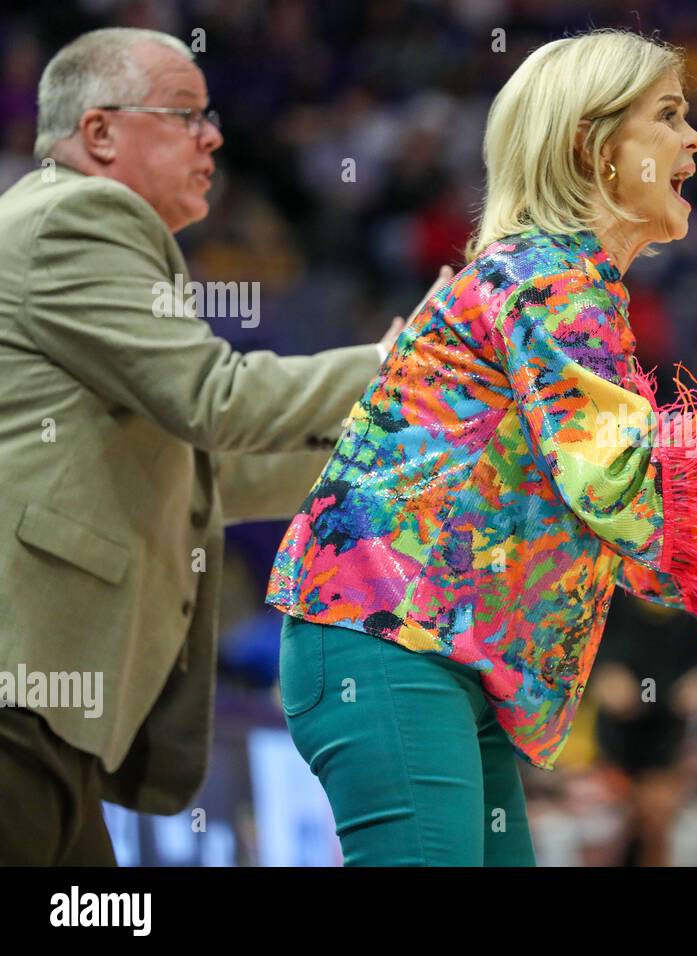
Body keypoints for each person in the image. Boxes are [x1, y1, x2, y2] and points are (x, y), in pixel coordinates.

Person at [266, 28, 697, 866]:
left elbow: (644, 549)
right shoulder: (544, 276)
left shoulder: (580, 294)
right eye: (668, 115)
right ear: (592, 144)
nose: (694, 139)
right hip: (387, 642)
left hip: (444, 660)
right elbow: (616, 485)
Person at [0, 28, 419, 865]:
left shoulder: (77, 234)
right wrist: (390, 367)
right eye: (186, 114)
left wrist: (389, 441)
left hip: (51, 711)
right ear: (101, 134)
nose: (214, 137)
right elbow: (214, 400)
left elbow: (204, 475)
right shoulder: (78, 215)